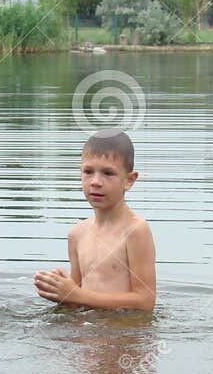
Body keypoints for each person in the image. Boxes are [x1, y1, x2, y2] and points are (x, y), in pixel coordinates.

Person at [34, 130, 156, 312]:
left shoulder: (135, 230)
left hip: (124, 334)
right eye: (88, 172)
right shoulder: (77, 234)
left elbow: (145, 301)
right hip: (87, 331)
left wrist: (77, 294)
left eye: (108, 173)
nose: (96, 182)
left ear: (129, 180)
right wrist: (59, 291)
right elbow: (76, 301)